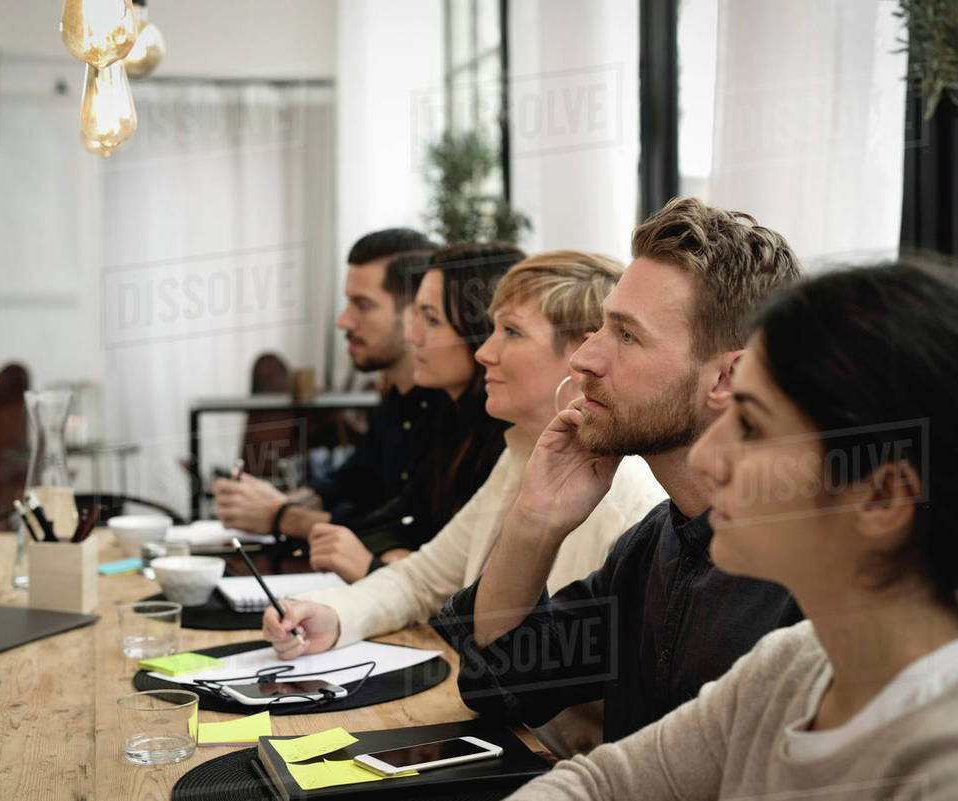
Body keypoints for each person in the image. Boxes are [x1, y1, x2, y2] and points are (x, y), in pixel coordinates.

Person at [504, 260, 958, 800]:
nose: (711, 458)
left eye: (754, 427)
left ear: (884, 496)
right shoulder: (795, 666)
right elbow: (599, 782)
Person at [262, 253, 667, 751]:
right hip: (503, 741)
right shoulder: (522, 452)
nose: (484, 353)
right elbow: (423, 578)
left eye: (511, 333)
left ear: (582, 352)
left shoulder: (628, 501)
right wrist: (334, 615)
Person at [435, 198, 805, 743]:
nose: (584, 359)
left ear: (728, 379)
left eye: (626, 336)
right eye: (603, 328)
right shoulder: (649, 549)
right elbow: (501, 682)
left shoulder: (813, 575)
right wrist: (535, 521)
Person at [301, 242, 525, 581]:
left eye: (431, 320)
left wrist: (378, 567)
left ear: (478, 329)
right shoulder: (450, 420)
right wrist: (396, 558)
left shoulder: (510, 439)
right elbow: (382, 523)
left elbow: (474, 588)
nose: (412, 335)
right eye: (416, 315)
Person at [214, 228, 441, 540]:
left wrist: (282, 515)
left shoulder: (450, 413)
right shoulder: (396, 400)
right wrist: (276, 501)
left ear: (417, 311)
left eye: (362, 305)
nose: (343, 321)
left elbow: (401, 533)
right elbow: (353, 480)